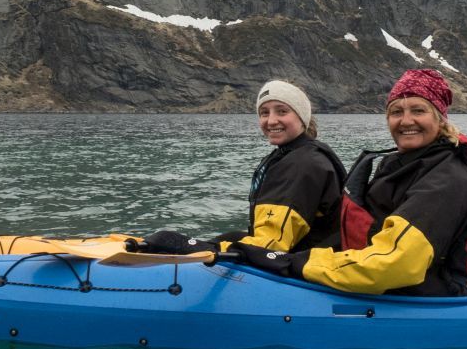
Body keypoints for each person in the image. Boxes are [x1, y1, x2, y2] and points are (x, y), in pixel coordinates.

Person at [225, 67, 467, 296]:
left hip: (415, 293)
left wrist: (292, 263)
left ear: (439, 118)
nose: (406, 120)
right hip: (376, 284)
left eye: (418, 110)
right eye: (396, 111)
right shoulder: (400, 165)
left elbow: (395, 263)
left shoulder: (448, 179)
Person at [136, 79, 343, 256]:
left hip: (303, 264)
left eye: (282, 111)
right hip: (304, 248)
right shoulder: (296, 153)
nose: (271, 121)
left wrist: (191, 247)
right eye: (264, 113)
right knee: (230, 237)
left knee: (179, 242)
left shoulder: (302, 164)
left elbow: (271, 244)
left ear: (302, 116)